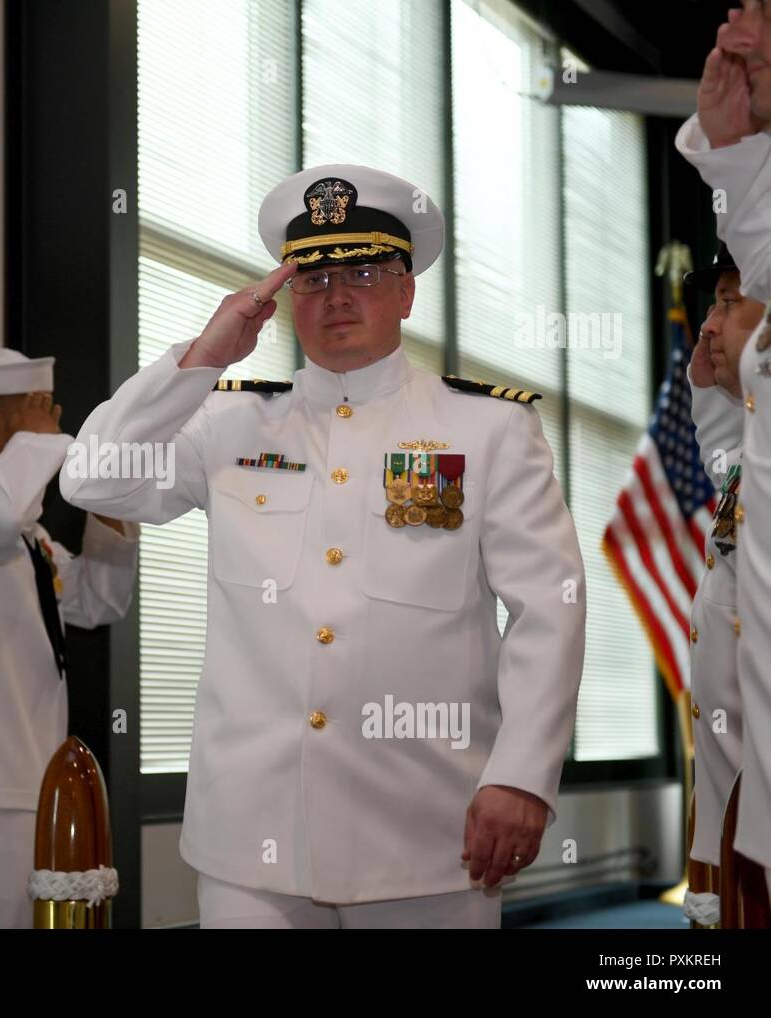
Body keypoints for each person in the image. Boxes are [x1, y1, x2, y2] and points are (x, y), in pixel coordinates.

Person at [59, 164, 586, 928]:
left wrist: (524, 776)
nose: (337, 297)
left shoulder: (488, 430)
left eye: (365, 273)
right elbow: (91, 479)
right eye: (312, 279)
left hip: (429, 830)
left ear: (406, 292)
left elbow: (548, 608)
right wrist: (202, 358)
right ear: (284, 299)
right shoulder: (229, 424)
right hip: (253, 840)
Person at [0, 347, 139, 928]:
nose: (56, 420)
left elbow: (97, 600)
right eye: (38, 409)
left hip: (30, 774)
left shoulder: (26, 532)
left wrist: (111, 499)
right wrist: (46, 444)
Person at [675, 0, 771, 898]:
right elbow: (735, 477)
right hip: (739, 769)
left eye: (731, 299)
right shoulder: (747, 427)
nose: (714, 319)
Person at [685, 244, 761, 907]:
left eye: (728, 302)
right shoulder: (749, 454)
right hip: (733, 814)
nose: (707, 324)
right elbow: (718, 439)